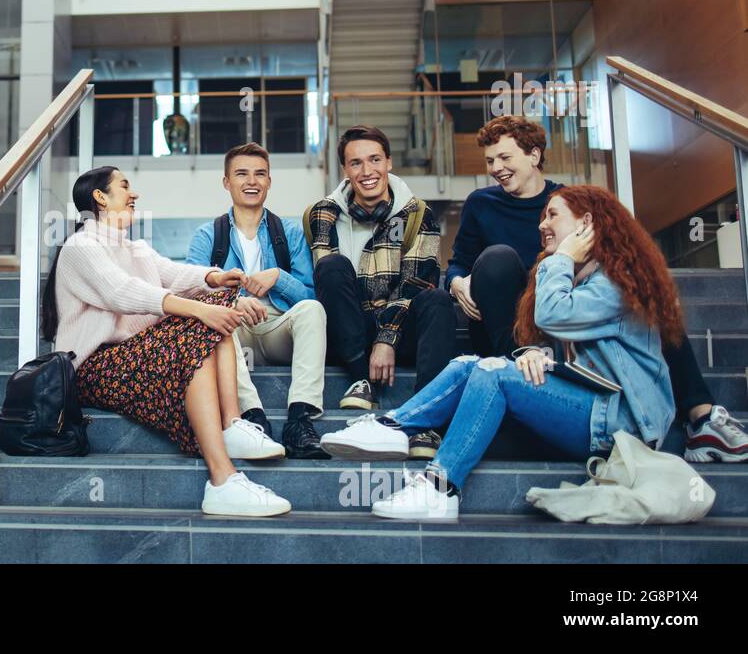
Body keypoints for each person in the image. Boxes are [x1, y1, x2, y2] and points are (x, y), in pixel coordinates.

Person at [320, 185, 679, 521]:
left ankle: (440, 489)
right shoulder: (583, 281)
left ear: (586, 224)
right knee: (468, 365)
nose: (542, 224)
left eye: (553, 215)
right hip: (590, 407)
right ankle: (394, 426)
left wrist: (563, 258)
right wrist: (538, 353)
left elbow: (555, 313)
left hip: (622, 424)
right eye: (543, 216)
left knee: (494, 375)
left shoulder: (614, 285)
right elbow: (574, 347)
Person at [448, 116, 744, 463]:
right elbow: (457, 263)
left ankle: (701, 416)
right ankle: (518, 363)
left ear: (533, 155)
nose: (496, 167)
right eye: (490, 161)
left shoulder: (569, 204)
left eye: (504, 158)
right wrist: (457, 283)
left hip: (565, 319)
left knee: (645, 295)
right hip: (505, 322)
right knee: (498, 260)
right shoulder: (481, 204)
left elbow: (609, 260)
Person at [42, 166, 292, 517]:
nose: (134, 194)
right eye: (124, 186)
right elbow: (123, 292)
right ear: (100, 197)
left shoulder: (135, 247)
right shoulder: (81, 246)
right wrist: (199, 310)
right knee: (199, 319)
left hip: (137, 352)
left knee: (213, 304)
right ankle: (222, 480)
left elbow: (174, 275)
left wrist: (216, 277)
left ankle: (232, 423)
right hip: (96, 365)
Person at [304, 125, 456, 458]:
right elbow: (327, 283)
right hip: (348, 336)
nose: (367, 171)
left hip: (401, 329)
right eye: (355, 163)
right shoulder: (322, 214)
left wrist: (386, 340)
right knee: (331, 267)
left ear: (388, 162)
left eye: (374, 159)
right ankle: (363, 381)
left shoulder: (418, 213)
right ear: (345, 169)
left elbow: (414, 284)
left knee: (437, 299)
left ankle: (425, 423)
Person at [185, 142, 329, 459]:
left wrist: (279, 276)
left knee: (313, 310)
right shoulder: (208, 235)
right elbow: (191, 292)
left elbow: (310, 296)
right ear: (227, 182)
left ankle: (300, 419)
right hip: (233, 336)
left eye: (260, 174)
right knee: (216, 322)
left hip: (277, 327)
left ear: (269, 182)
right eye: (242, 174)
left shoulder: (289, 233)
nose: (252, 181)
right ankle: (252, 418)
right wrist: (232, 301)